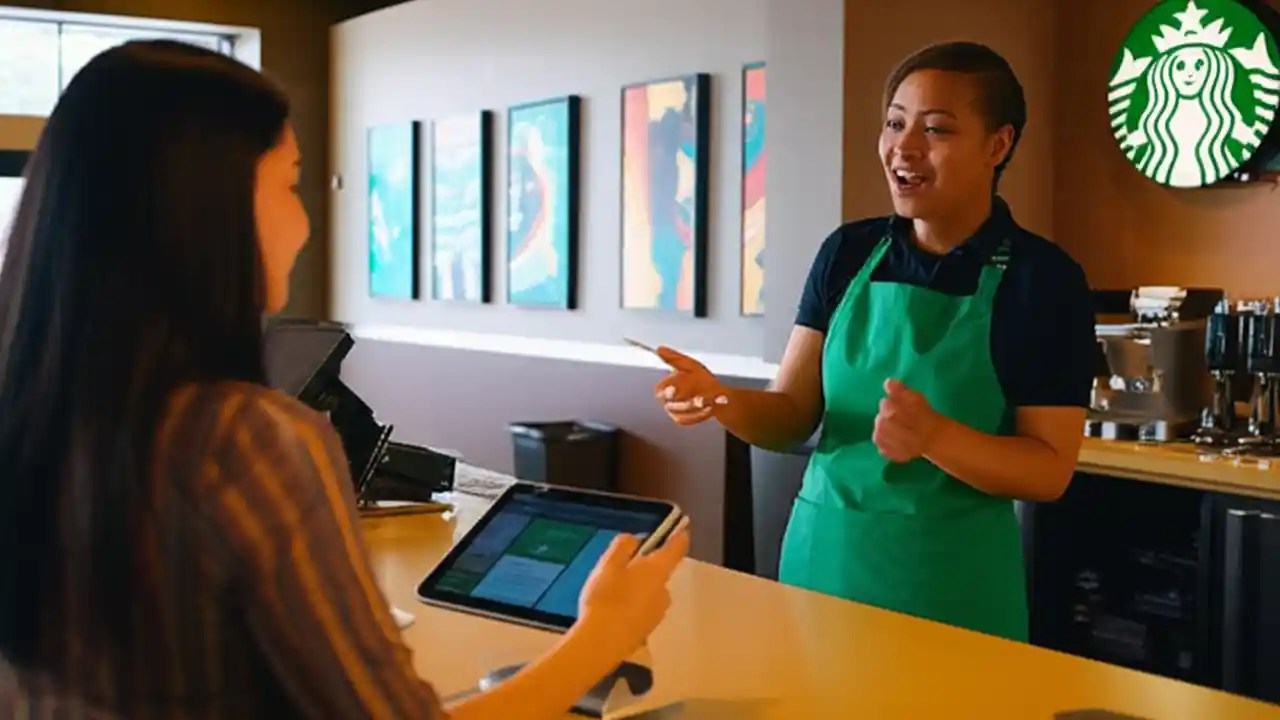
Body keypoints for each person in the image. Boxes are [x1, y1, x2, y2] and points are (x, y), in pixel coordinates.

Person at [0, 41, 689, 719]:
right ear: (211, 208)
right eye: (291, 184)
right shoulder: (248, 443)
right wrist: (602, 637)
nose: (305, 225)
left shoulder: (33, 422)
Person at [654, 41, 1096, 642]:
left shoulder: (1042, 280)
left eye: (936, 129)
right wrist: (719, 399)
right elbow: (791, 414)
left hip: (949, 591)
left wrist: (934, 437)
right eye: (894, 123)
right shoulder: (848, 252)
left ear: (998, 145)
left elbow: (1048, 470)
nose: (904, 148)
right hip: (822, 568)